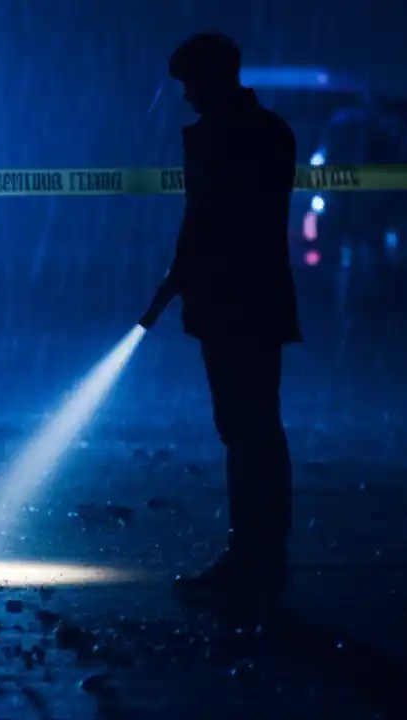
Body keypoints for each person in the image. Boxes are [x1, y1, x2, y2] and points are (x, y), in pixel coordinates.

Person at [139, 32, 301, 602]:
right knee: (254, 426)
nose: (185, 96)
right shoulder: (265, 133)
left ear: (212, 77)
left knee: (246, 428)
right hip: (250, 297)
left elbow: (210, 219)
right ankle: (261, 553)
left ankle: (252, 557)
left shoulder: (229, 138)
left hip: (235, 300)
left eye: (189, 83)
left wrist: (180, 278)